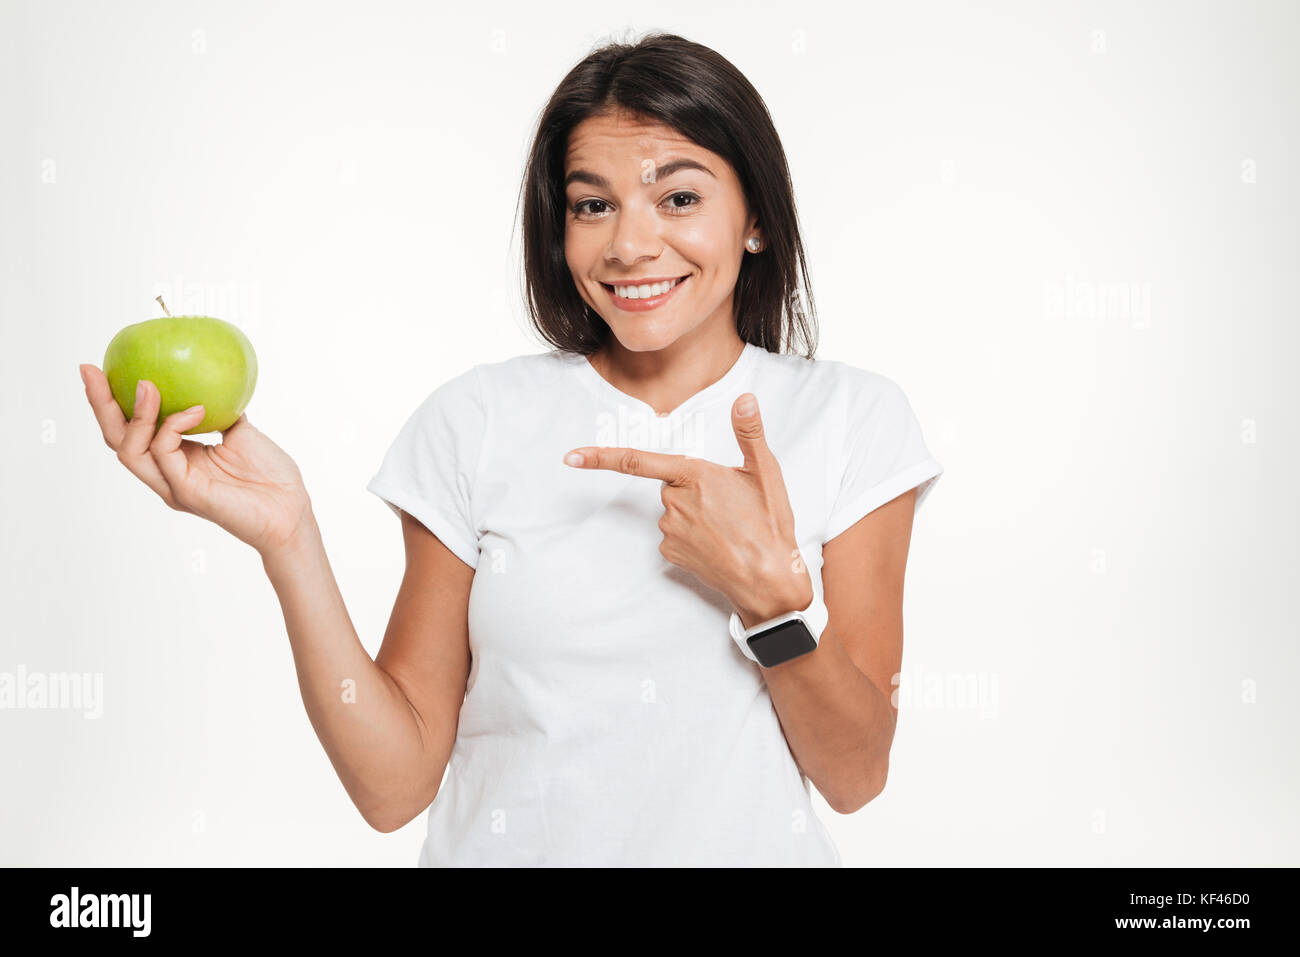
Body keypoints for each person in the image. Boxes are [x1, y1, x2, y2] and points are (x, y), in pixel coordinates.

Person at [80, 32, 943, 867]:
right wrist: (289, 538)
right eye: (592, 203)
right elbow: (392, 787)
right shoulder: (478, 418)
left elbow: (856, 773)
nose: (629, 244)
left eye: (679, 197)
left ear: (754, 218)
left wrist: (769, 602)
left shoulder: (851, 418)